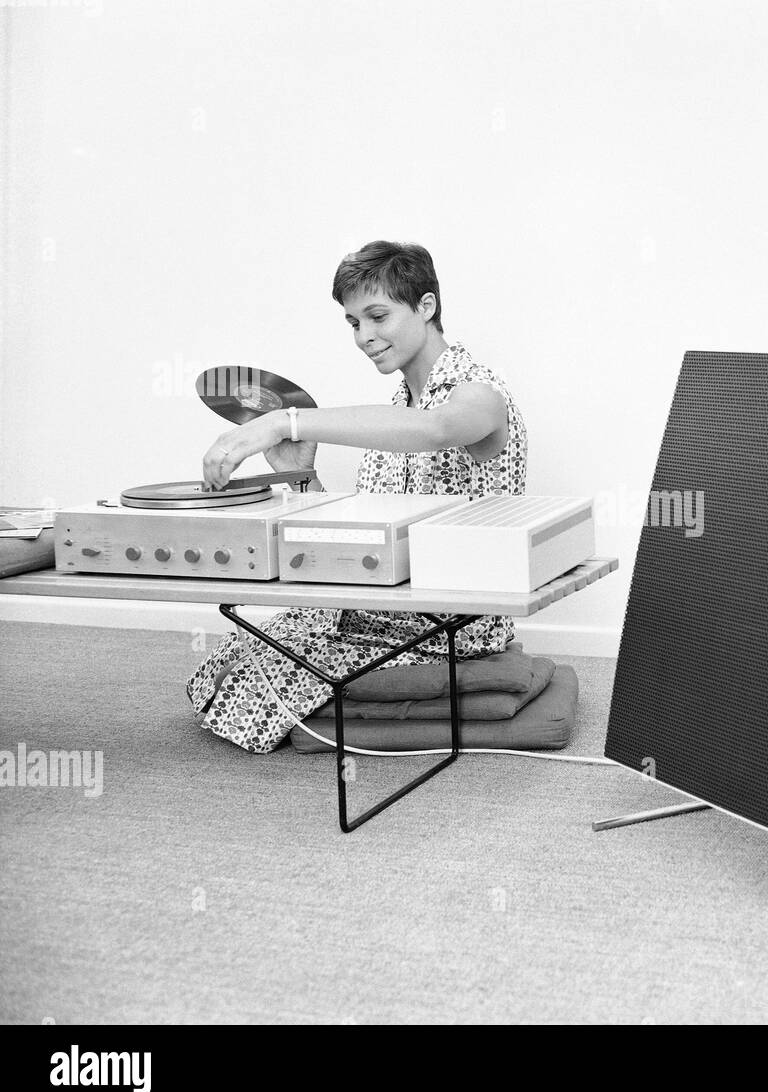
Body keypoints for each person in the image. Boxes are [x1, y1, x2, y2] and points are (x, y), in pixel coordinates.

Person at [185, 240, 528, 753]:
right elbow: (364, 532)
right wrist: (303, 477)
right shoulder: (396, 406)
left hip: (449, 620)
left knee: (260, 670)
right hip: (381, 603)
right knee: (229, 655)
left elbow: (437, 429)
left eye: (377, 316)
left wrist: (285, 419)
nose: (364, 336)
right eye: (352, 323)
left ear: (426, 307)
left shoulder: (478, 392)